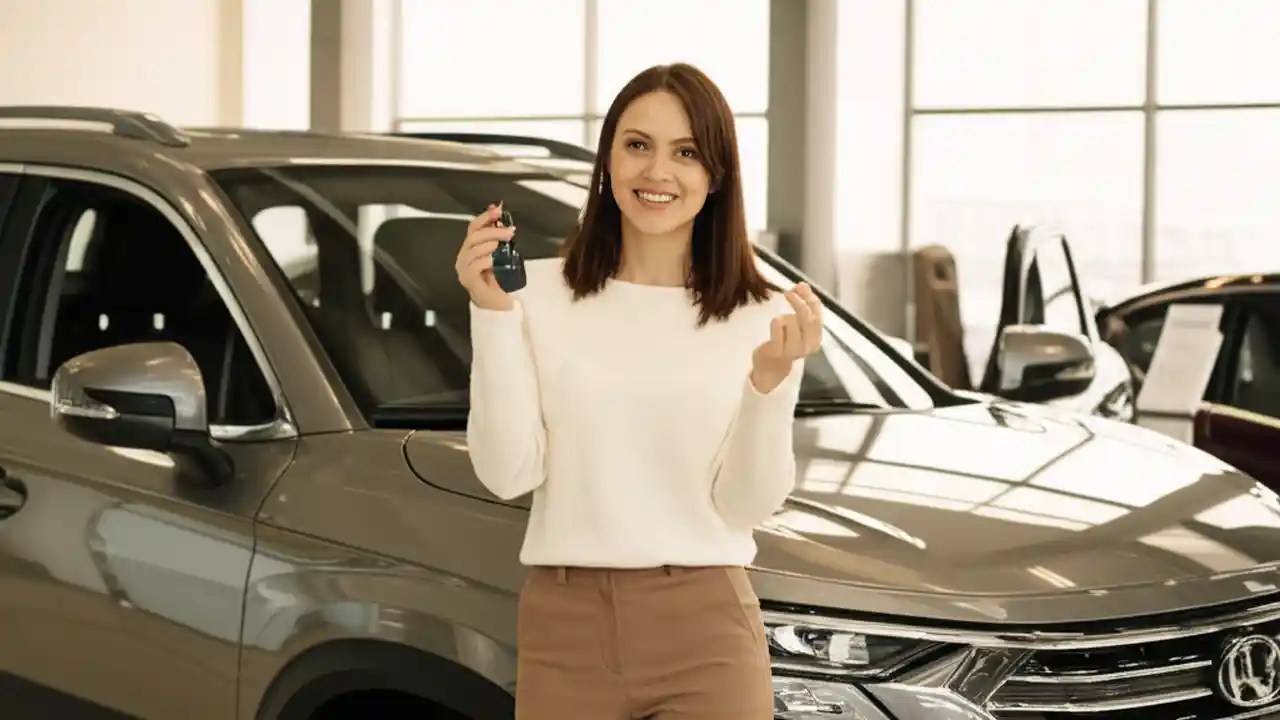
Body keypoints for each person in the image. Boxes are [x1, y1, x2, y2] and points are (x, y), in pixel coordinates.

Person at [454, 62, 821, 720]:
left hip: (706, 627)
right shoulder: (531, 293)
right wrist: (493, 314)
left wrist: (767, 386)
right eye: (637, 145)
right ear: (608, 160)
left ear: (717, 174)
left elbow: (746, 504)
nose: (658, 171)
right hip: (565, 628)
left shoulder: (762, 313)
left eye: (686, 152)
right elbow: (507, 473)